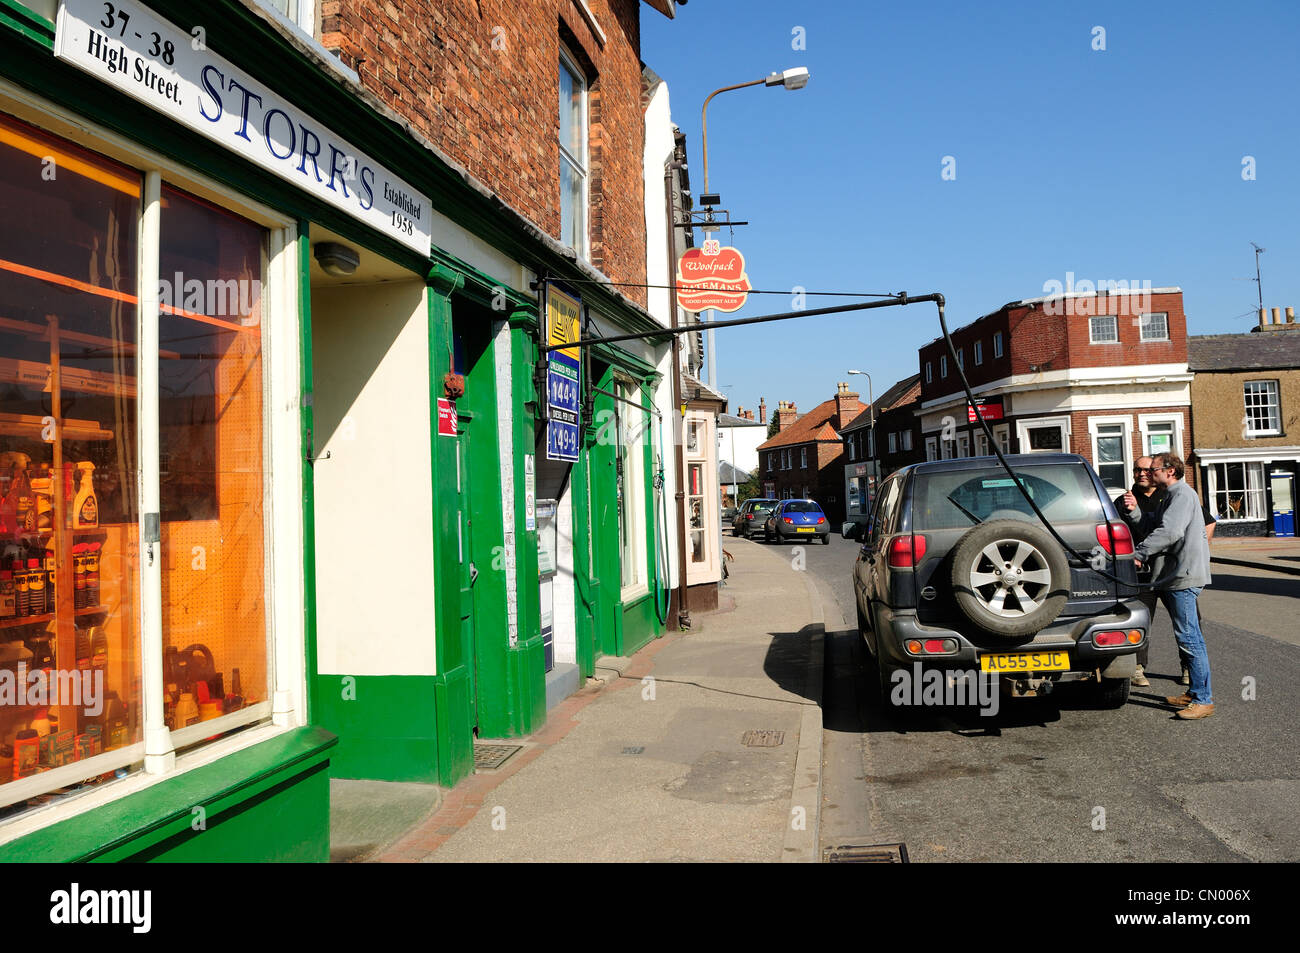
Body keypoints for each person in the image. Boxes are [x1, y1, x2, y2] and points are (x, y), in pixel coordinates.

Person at [1116, 456, 1215, 687]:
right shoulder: (1167, 496)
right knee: (1181, 634)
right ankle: (1194, 693)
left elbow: (1170, 532)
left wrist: (1138, 554)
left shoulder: (1181, 495)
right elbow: (1152, 526)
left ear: (1169, 471)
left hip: (1180, 575)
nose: (1147, 473)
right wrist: (1133, 512)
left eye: (1153, 469)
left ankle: (1200, 696)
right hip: (1162, 575)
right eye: (1140, 470)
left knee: (1190, 637)